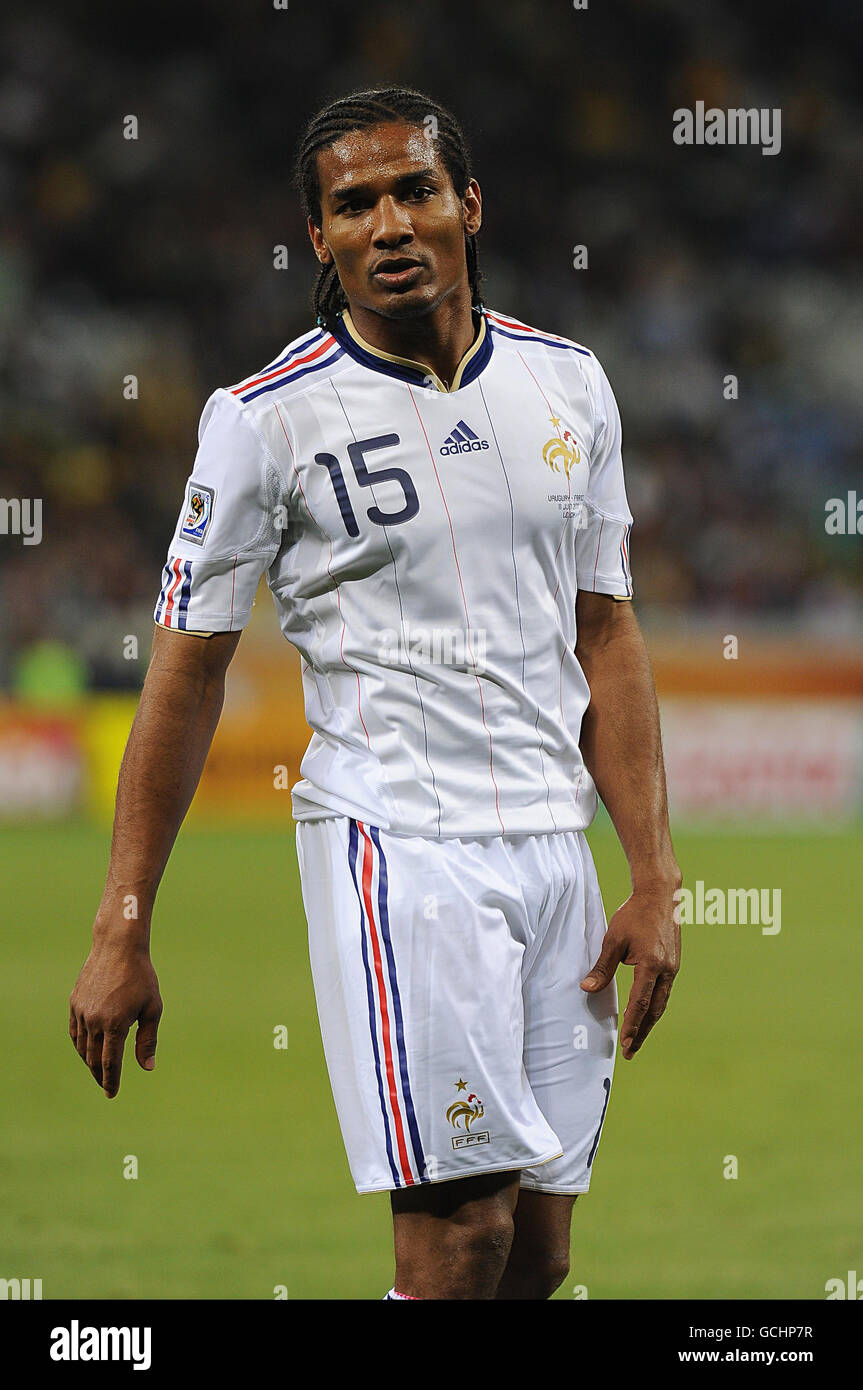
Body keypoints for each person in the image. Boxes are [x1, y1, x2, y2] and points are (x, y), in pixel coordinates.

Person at [69, 85, 681, 1301]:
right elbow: (185, 675)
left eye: (413, 190)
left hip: (552, 854)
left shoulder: (570, 388)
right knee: (459, 1242)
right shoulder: (261, 422)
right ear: (321, 239)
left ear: (468, 204)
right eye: (354, 204)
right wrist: (121, 919)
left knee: (540, 1256)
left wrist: (653, 874)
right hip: (400, 850)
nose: (388, 222)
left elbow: (605, 634)